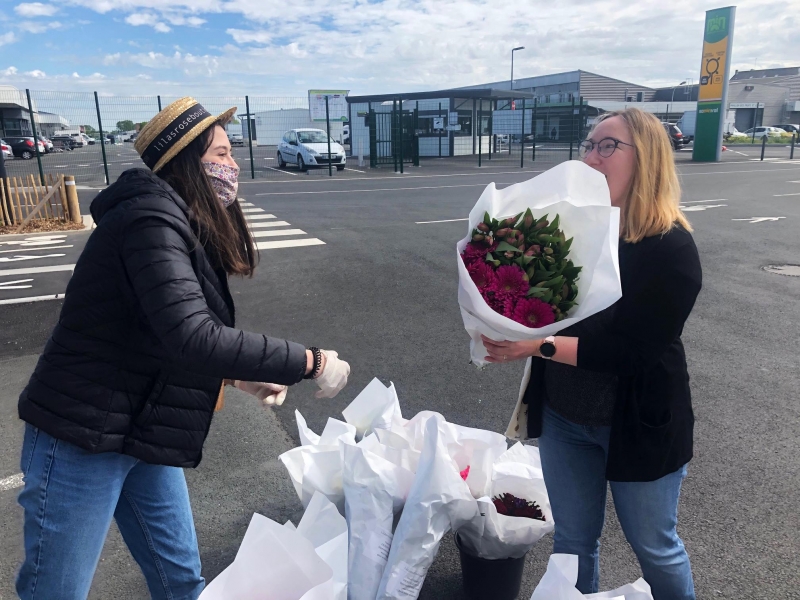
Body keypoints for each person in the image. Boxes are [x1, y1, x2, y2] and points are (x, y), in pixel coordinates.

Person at [15, 97, 351, 600]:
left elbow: (161, 331)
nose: (232, 164)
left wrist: (238, 377)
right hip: (80, 435)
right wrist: (310, 361)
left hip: (144, 430)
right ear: (188, 162)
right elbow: (192, 335)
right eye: (220, 153)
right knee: (56, 591)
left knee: (180, 581)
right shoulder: (147, 220)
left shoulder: (177, 219)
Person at [486, 107, 701, 599]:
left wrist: (536, 345)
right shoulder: (573, 230)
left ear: (645, 158)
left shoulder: (670, 249)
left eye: (608, 146)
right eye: (589, 145)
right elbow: (540, 303)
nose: (592, 156)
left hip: (637, 424)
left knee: (655, 548)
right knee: (573, 544)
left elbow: (634, 352)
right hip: (564, 416)